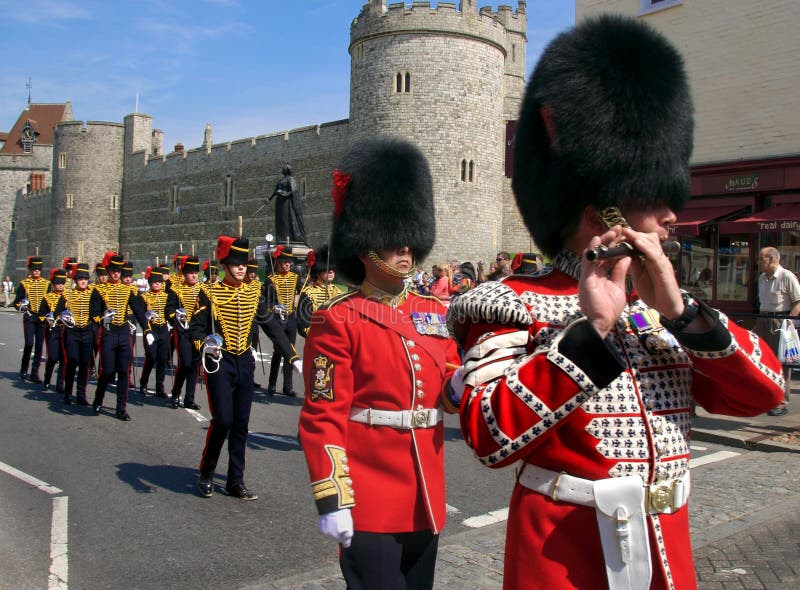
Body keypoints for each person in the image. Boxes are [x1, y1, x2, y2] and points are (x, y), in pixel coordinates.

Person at [447, 16, 785, 590]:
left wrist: (683, 315)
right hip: (563, 557)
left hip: (666, 552)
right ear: (600, 206)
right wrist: (591, 334)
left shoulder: (663, 309)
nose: (672, 214)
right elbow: (487, 436)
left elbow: (764, 394)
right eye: (654, 198)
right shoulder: (510, 304)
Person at [298, 137, 461, 589]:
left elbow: (446, 397)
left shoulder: (433, 312)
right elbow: (322, 417)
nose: (404, 249)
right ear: (366, 245)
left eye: (408, 239)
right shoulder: (338, 319)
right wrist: (333, 498)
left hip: (425, 496)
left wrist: (462, 382)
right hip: (368, 497)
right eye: (391, 241)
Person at [191, 236, 274, 500]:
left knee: (241, 424)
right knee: (223, 420)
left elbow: (268, 323)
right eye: (235, 264)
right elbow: (196, 328)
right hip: (219, 362)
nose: (241, 268)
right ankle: (206, 472)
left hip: (244, 360)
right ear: (224, 265)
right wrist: (205, 344)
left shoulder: (253, 291)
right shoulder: (209, 293)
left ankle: (235, 480)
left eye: (243, 264)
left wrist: (293, 354)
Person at [91, 255, 150, 421]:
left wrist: (147, 329)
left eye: (118, 271)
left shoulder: (128, 290)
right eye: (113, 271)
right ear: (108, 272)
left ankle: (121, 408)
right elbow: (93, 313)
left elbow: (138, 310)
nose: (116, 274)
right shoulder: (99, 290)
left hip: (123, 332)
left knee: (124, 371)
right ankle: (98, 399)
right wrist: (103, 318)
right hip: (109, 332)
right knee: (107, 371)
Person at [756, 246, 800, 416]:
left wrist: (788, 321)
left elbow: (798, 301)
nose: (759, 262)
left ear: (772, 259)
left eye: (762, 259)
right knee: (764, 360)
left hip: (780, 319)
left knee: (782, 362)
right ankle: (767, 398)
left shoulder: (786, 276)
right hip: (763, 318)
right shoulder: (762, 278)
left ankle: (782, 401)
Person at [56, 263, 101, 406]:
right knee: (73, 360)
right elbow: (57, 312)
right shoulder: (68, 294)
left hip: (87, 331)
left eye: (85, 279)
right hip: (72, 331)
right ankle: (68, 393)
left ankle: (81, 394)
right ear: (75, 280)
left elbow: (99, 309)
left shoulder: (93, 292)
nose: (83, 281)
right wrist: (63, 317)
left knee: (85, 364)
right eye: (80, 278)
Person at [165, 256, 204, 410]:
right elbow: (168, 309)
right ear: (184, 274)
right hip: (183, 331)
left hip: (198, 332)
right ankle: (175, 393)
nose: (194, 275)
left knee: (194, 365)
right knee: (185, 363)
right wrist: (176, 315)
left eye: (196, 272)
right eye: (191, 273)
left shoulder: (203, 289)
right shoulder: (176, 289)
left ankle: (189, 399)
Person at [265, 247, 301, 396]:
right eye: (284, 261)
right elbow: (266, 301)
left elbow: (300, 293)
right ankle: (272, 383)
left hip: (291, 316)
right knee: (278, 351)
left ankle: (288, 386)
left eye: (289, 262)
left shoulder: (295, 277)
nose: (287, 264)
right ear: (278, 263)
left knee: (290, 351)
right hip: (278, 318)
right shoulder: (271, 279)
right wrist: (273, 308)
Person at [13, 256, 50, 382]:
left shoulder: (46, 284)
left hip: (42, 318)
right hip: (30, 316)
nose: (36, 271)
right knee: (29, 344)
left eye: (38, 269)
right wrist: (22, 307)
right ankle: (24, 369)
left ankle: (35, 373)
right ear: (30, 270)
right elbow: (17, 302)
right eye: (34, 269)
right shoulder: (24, 284)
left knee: (39, 346)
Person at [296, 245, 343, 339]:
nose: (330, 272)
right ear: (318, 272)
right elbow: (303, 324)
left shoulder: (338, 292)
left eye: (332, 270)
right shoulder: (308, 293)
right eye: (326, 269)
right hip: (317, 339)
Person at [139, 267, 170, 398]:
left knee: (162, 358)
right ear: (150, 283)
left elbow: (170, 312)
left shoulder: (167, 296)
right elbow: (140, 314)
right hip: (151, 329)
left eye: (159, 282)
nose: (157, 284)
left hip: (163, 328)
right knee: (151, 356)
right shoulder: (144, 297)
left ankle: (159, 386)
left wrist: (170, 323)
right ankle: (144, 381)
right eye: (154, 282)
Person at [40, 269, 68, 393]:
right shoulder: (47, 297)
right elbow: (41, 314)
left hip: (65, 330)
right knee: (53, 357)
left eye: (62, 283)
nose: (60, 285)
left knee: (64, 358)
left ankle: (60, 384)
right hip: (52, 329)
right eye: (58, 283)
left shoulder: (69, 297)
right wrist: (48, 318)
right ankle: (47, 378)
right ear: (53, 284)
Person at [268, 163, 307, 245]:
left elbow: (293, 191)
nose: (282, 170)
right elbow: (275, 190)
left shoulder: (290, 179)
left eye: (283, 169)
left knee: (286, 220)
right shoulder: (281, 180)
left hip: (287, 203)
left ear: (287, 170)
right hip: (280, 204)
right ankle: (281, 238)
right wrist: (269, 198)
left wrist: (283, 193)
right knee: (280, 220)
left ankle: (287, 238)